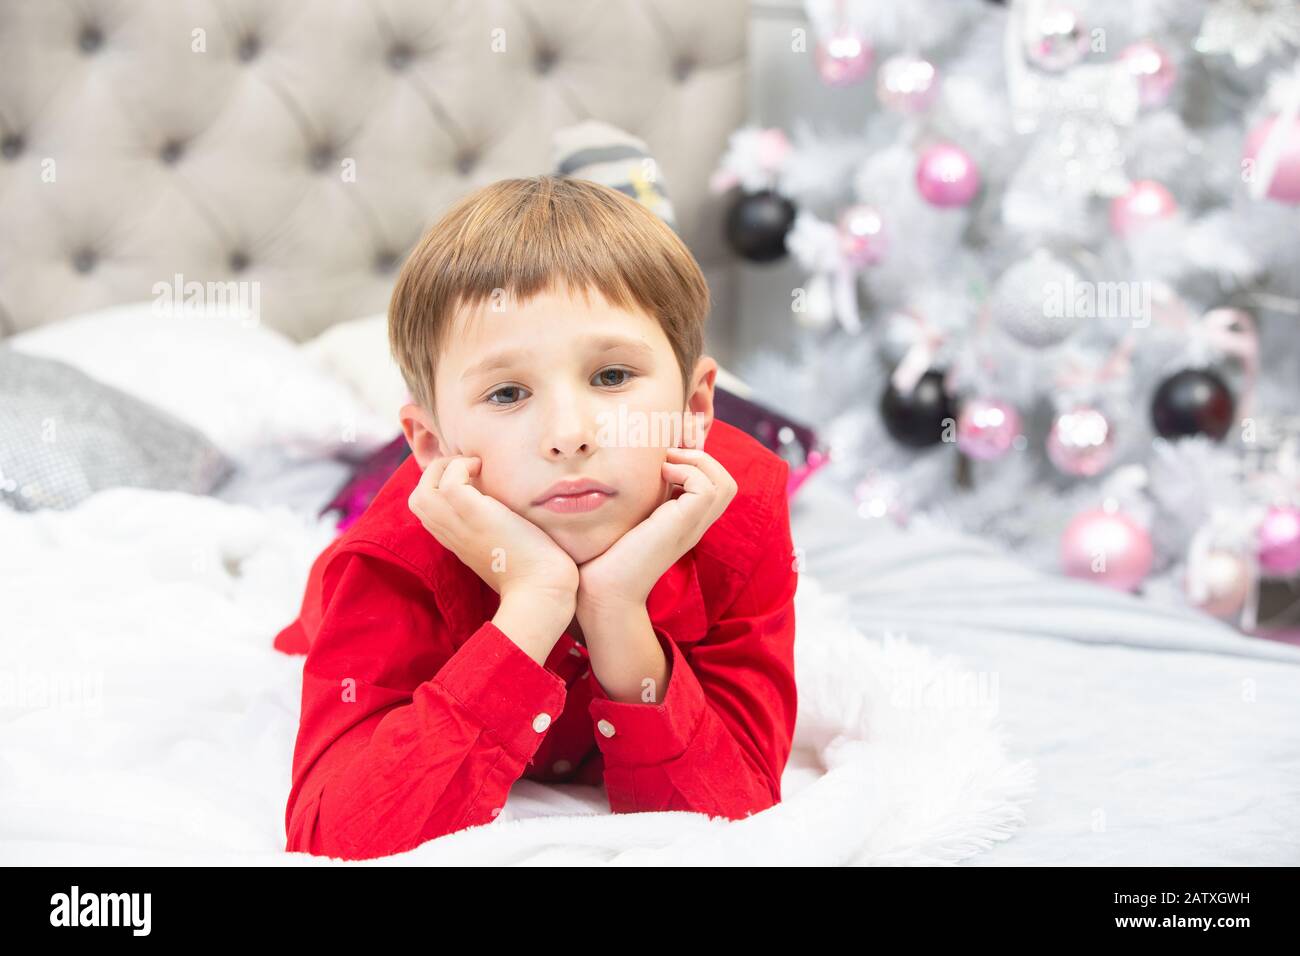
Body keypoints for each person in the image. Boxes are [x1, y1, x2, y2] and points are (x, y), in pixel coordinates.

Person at [275, 175, 799, 860]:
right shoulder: (391, 560)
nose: (568, 434)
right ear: (432, 445)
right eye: (508, 392)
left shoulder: (742, 509)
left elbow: (739, 809)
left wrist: (616, 611)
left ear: (697, 406)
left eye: (611, 377)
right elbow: (334, 840)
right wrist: (533, 603)